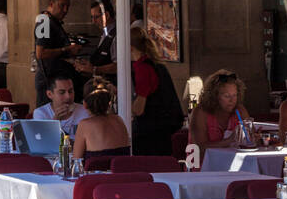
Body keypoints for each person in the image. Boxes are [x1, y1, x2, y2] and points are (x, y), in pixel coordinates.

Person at [130, 27, 184, 156]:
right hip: (164, 127)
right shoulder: (157, 64)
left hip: (151, 131)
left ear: (130, 47)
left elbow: (139, 109)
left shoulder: (143, 68)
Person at [33, 0, 82, 106]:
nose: (65, 10)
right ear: (51, 4)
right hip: (49, 81)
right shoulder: (44, 21)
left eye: (67, 6)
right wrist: (67, 49)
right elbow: (41, 53)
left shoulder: (54, 22)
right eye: (62, 5)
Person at [188, 70, 253, 154]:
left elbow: (249, 139)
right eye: (227, 96)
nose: (232, 100)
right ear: (214, 96)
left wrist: (254, 138)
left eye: (235, 95)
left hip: (231, 160)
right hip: (203, 161)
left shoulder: (239, 110)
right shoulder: (201, 112)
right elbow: (199, 148)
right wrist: (229, 140)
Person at [73, 78, 131, 166]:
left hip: (98, 174)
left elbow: (76, 162)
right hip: (123, 173)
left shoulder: (84, 125)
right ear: (109, 103)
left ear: (84, 104)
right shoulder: (119, 120)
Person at [33, 69, 91, 139]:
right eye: (62, 92)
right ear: (49, 94)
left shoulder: (85, 111)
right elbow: (42, 141)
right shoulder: (41, 113)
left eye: (70, 91)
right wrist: (55, 122)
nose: (68, 96)